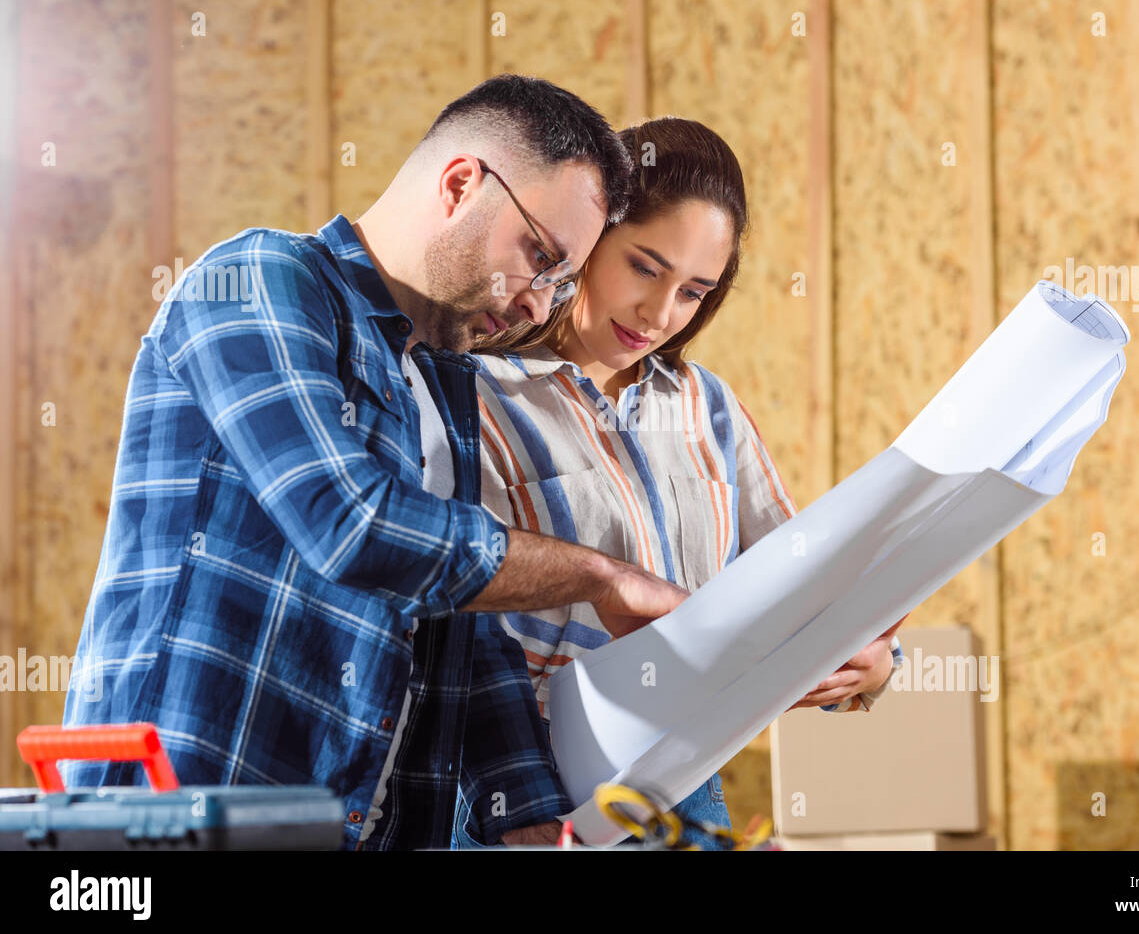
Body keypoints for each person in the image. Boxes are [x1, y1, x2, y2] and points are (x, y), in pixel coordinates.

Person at [60, 74, 689, 851]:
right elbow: (348, 522)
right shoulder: (259, 280)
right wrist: (604, 576)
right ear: (461, 184)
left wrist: (527, 815)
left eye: (560, 285)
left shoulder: (448, 388)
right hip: (178, 813)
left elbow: (462, 613)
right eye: (539, 256)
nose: (537, 304)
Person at [456, 117, 906, 848]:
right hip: (514, 788)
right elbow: (454, 625)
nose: (660, 314)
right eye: (644, 266)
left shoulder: (707, 407)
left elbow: (796, 587)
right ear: (591, 236)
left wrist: (872, 664)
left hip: (683, 787)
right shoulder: (478, 395)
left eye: (695, 291)